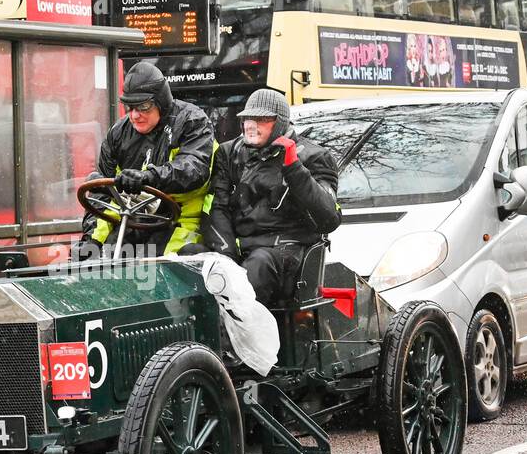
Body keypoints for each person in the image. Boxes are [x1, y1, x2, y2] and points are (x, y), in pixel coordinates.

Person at [201, 88, 342, 306]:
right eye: (248, 118)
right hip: (240, 249)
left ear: (279, 123)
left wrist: (294, 169)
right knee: (190, 257)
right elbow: (215, 207)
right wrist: (225, 255)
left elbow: (329, 218)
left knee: (258, 264)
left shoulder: (315, 157)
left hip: (287, 253)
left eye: (261, 119)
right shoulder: (228, 153)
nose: (251, 126)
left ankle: (233, 336)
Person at [77, 61, 215, 259]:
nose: (135, 115)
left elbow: (193, 169)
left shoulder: (191, 122)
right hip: (134, 218)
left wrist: (149, 177)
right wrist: (91, 239)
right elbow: (102, 193)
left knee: (166, 266)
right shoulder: (118, 134)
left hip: (182, 219)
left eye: (143, 107)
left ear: (161, 102)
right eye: (129, 107)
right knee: (102, 259)